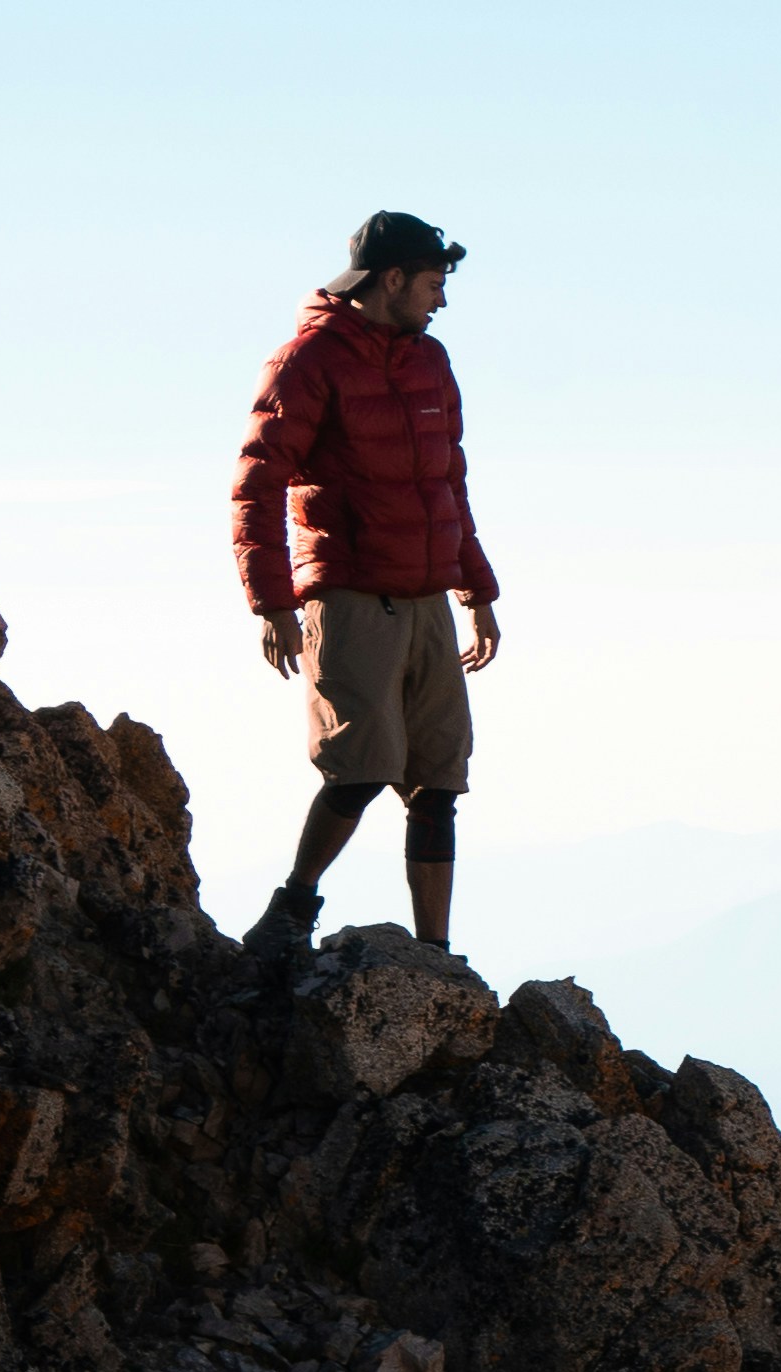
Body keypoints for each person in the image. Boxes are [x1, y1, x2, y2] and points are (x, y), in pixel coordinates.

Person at [228, 209, 499, 972]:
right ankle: (291, 910)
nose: (440, 300)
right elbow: (257, 484)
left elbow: (450, 482)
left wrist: (475, 589)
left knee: (439, 780)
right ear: (393, 279)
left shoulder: (429, 361)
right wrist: (273, 603)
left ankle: (436, 954)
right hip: (350, 597)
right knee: (363, 765)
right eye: (433, 282)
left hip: (426, 601)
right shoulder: (307, 362)